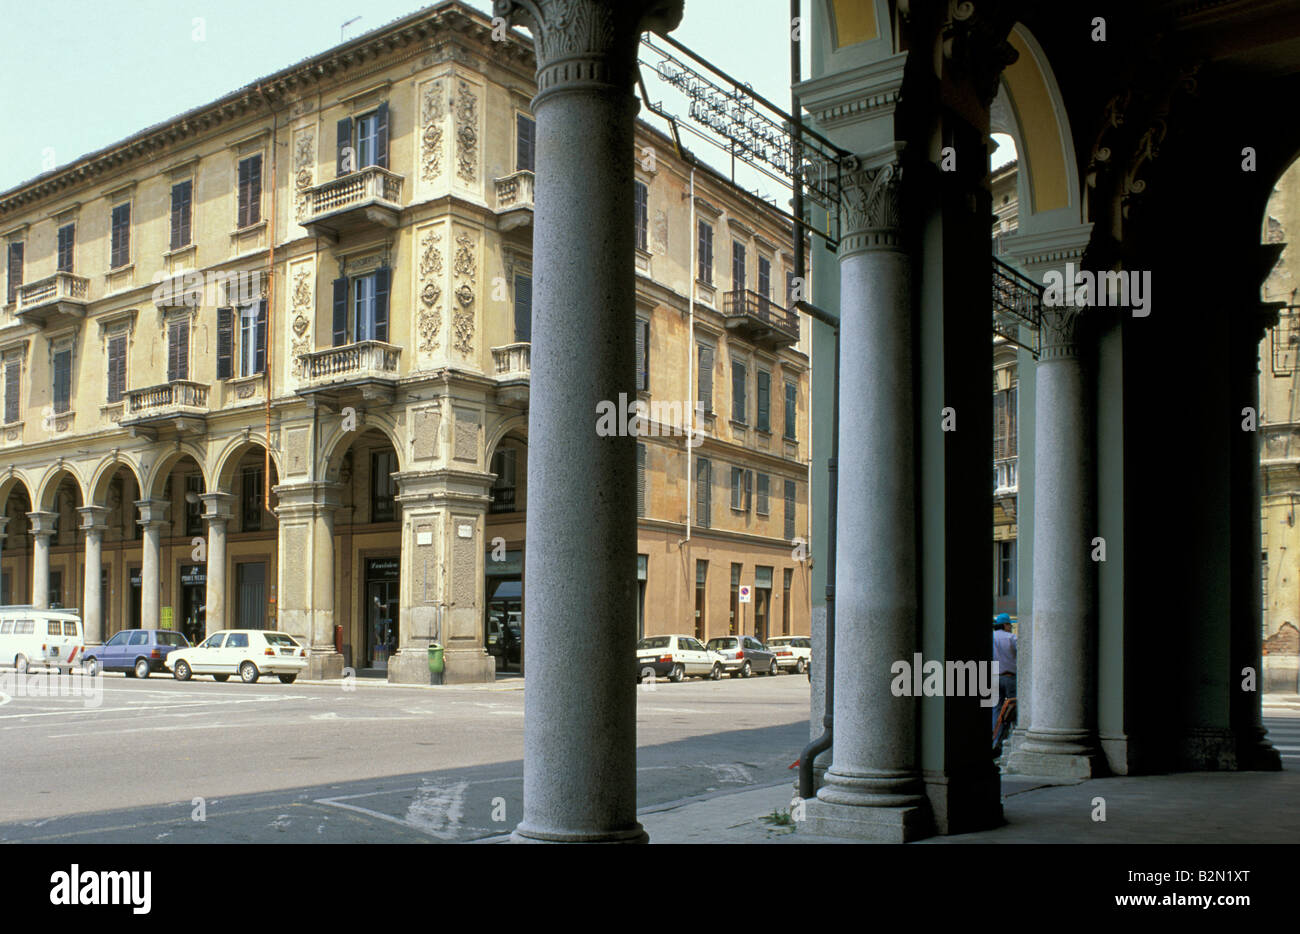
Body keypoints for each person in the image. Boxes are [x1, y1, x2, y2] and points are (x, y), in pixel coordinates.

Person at [992, 613, 1017, 754]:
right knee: (1014, 708)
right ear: (1006, 625)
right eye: (1010, 625)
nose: (1010, 628)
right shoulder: (1011, 638)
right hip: (1010, 677)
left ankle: (995, 739)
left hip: (993, 678)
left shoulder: (990, 637)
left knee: (996, 710)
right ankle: (1010, 737)